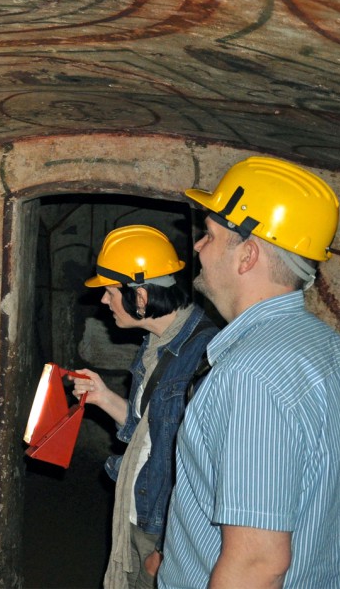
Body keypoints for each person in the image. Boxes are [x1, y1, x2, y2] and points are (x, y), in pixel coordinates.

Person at [158, 156, 340, 589]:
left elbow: (258, 563)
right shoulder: (326, 346)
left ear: (247, 255)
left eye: (209, 235)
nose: (199, 247)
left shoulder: (253, 376)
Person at [71, 225, 217, 589]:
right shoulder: (156, 342)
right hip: (139, 510)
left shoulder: (203, 356)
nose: (104, 301)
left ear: (139, 296)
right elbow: (148, 429)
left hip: (162, 530)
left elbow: (204, 468)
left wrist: (170, 547)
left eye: (109, 291)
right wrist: (103, 397)